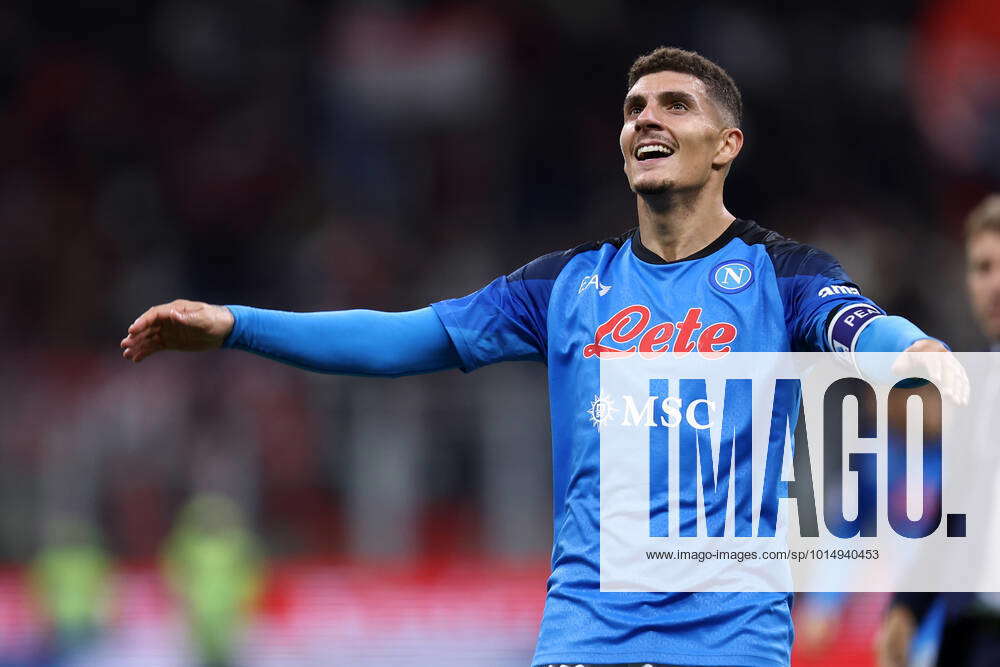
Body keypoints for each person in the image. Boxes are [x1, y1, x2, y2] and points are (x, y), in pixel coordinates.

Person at [122, 47, 967, 667]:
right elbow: (405, 336)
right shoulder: (566, 285)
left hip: (731, 634)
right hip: (585, 627)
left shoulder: (782, 276)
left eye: (674, 105)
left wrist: (917, 352)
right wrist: (238, 323)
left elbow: (860, 325)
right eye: (635, 108)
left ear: (726, 145)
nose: (646, 119)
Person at [877, 193, 1000, 667]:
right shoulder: (974, 386)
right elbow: (955, 515)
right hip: (973, 633)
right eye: (982, 267)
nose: (993, 284)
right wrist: (907, 609)